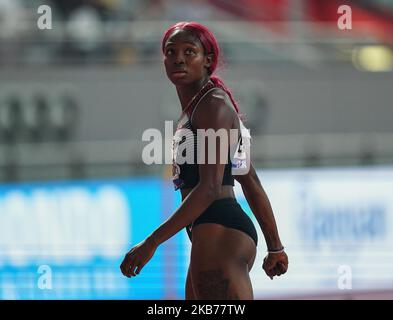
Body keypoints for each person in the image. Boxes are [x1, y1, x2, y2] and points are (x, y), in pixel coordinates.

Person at [120, 21, 288, 300]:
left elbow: (210, 188)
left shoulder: (213, 106)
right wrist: (275, 247)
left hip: (218, 231)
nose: (178, 59)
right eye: (171, 52)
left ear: (208, 61)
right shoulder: (200, 107)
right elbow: (249, 178)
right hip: (213, 233)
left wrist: (152, 243)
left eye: (189, 51)